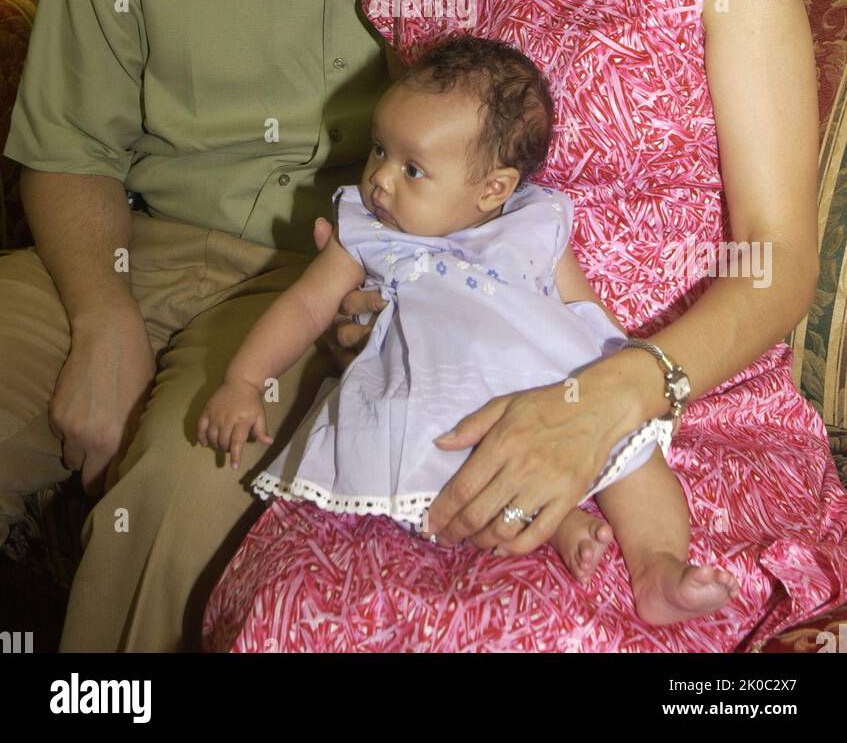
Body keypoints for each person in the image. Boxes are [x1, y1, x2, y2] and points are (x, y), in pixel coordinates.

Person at [0, 0, 844, 653]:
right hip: (451, 399)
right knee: (295, 613)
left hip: (678, 413)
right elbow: (423, 212)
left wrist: (608, 399)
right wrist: (370, 302)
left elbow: (777, 260)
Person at [200, 36, 744, 651]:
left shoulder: (537, 223)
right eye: (379, 149)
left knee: (637, 462)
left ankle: (658, 568)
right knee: (458, 460)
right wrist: (244, 380)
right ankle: (559, 524)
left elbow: (582, 307)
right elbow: (305, 305)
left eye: (412, 169)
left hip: (556, 391)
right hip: (441, 394)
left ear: (492, 189)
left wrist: (624, 375)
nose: (379, 178)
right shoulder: (366, 232)